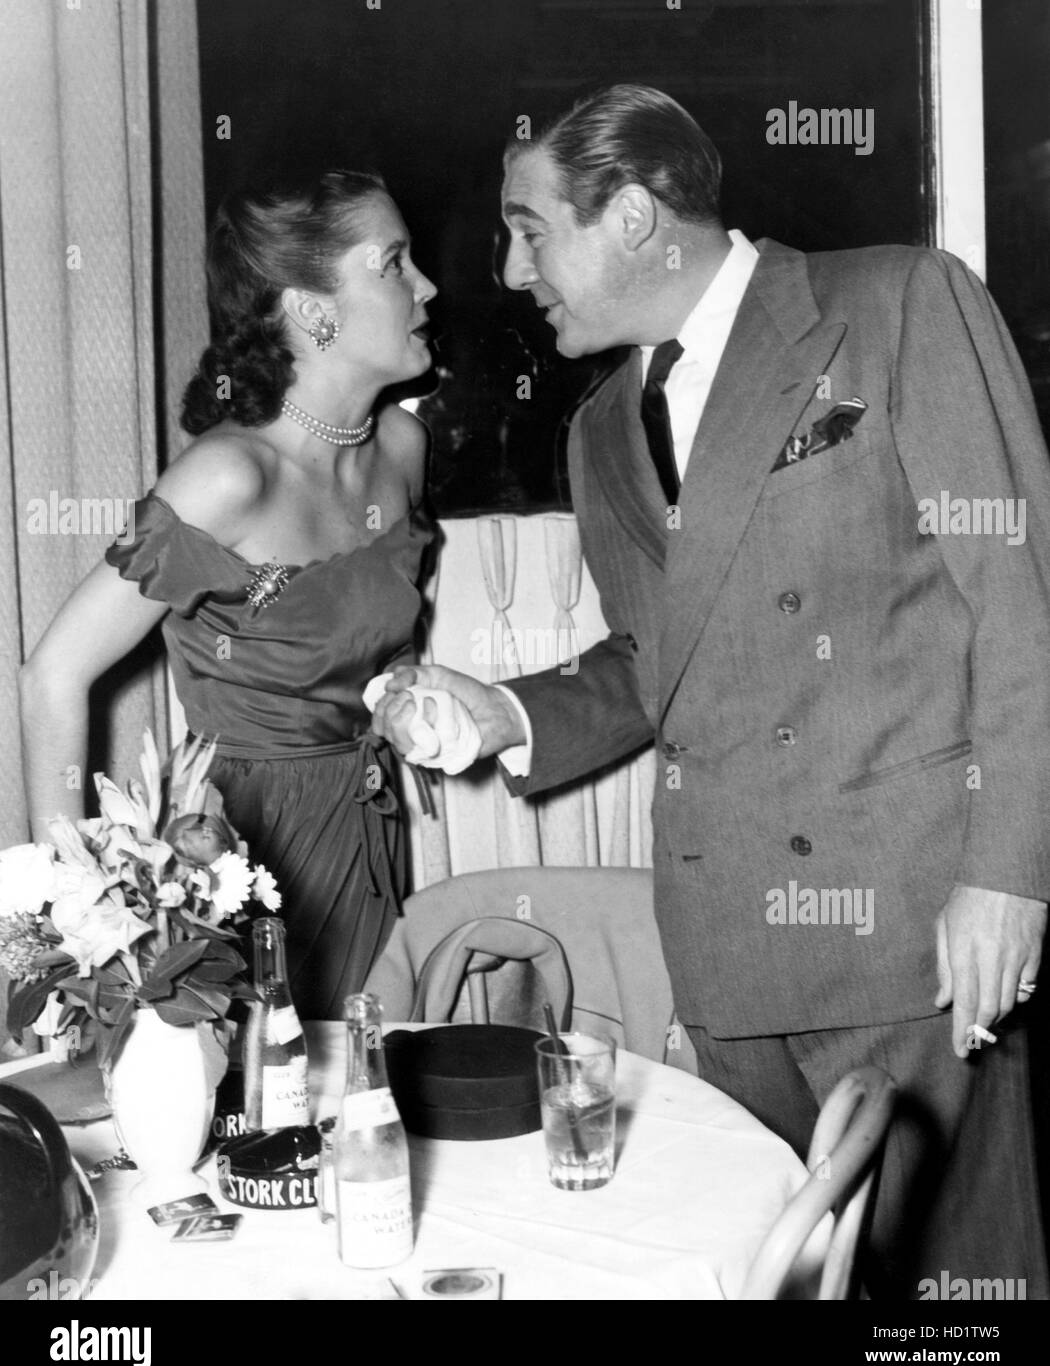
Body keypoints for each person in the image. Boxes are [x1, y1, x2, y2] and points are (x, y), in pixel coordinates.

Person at [373, 85, 1050, 1297]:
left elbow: (1024, 604)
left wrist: (1006, 875)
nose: (512, 269)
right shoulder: (596, 433)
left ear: (633, 215)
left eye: (533, 230)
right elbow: (665, 657)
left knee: (957, 1296)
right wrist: (508, 710)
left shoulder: (893, 304)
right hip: (725, 945)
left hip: (910, 931)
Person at [20, 170, 438, 1019]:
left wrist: (400, 694)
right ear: (312, 310)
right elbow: (51, 674)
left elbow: (367, 634)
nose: (427, 286)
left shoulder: (401, 446)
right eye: (393, 264)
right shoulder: (227, 477)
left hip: (367, 824)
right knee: (257, 1112)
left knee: (364, 1099)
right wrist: (73, 898)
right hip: (240, 856)